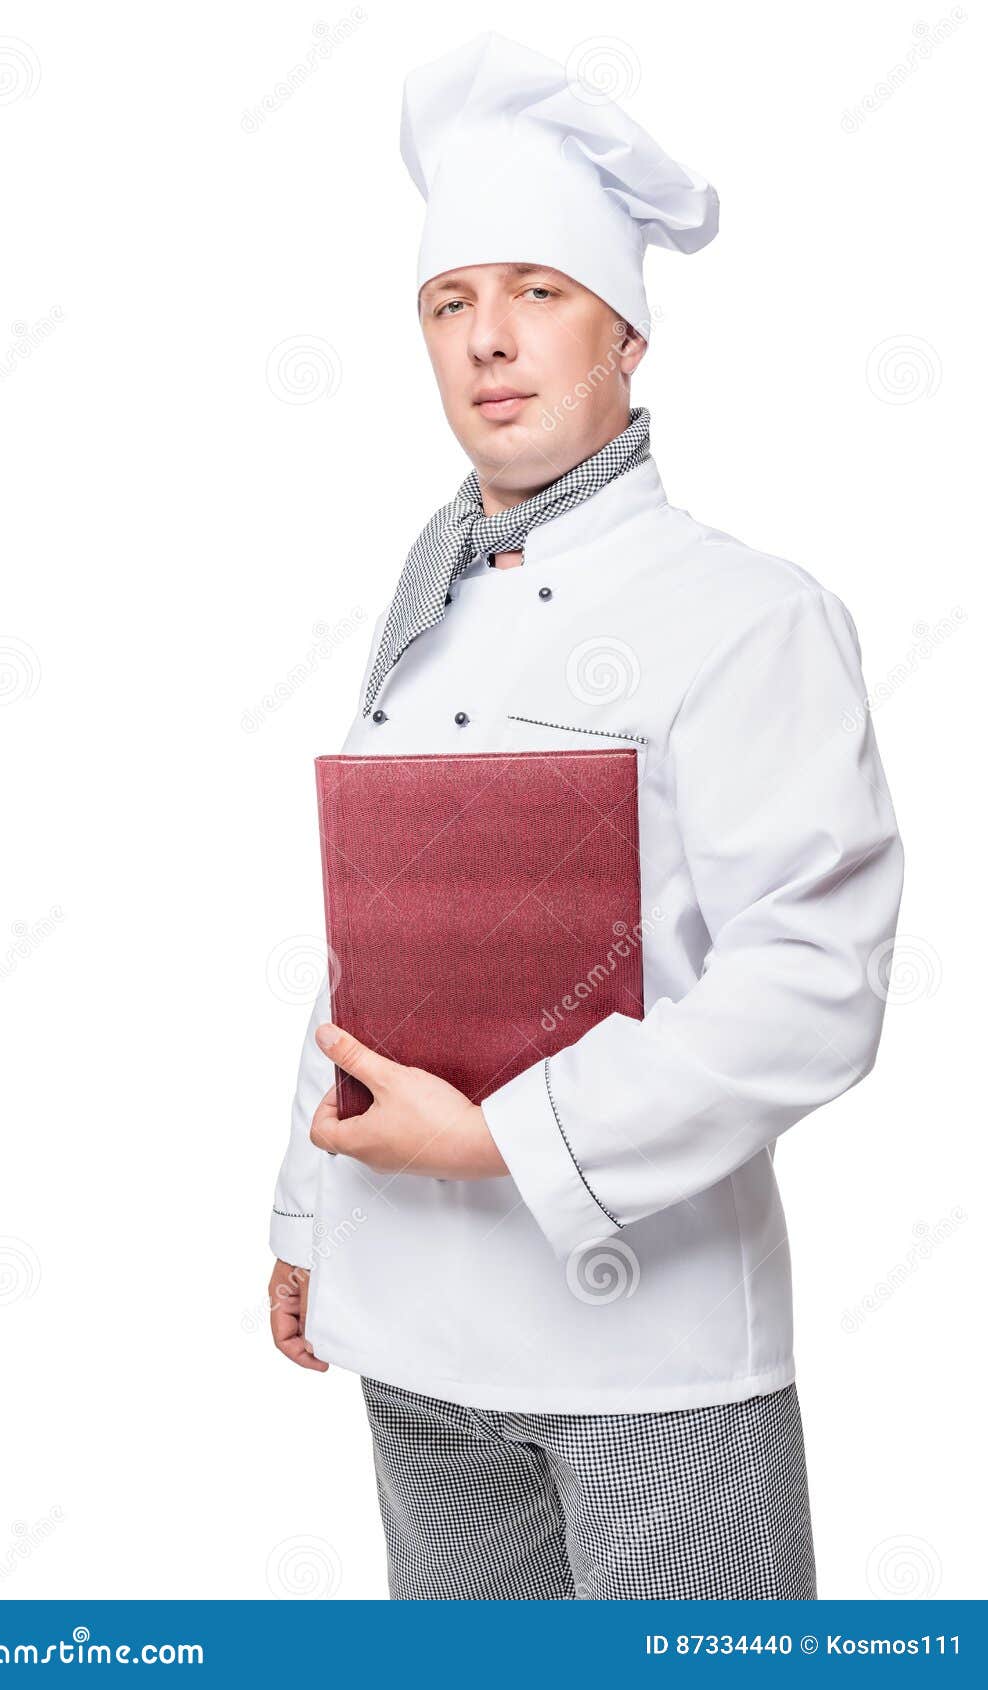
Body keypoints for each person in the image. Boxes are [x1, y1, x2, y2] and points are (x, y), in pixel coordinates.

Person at [266, 31, 904, 1601]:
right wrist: (310, 1210)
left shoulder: (747, 614)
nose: (489, 339)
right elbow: (373, 943)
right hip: (411, 1337)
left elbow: (814, 984)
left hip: (649, 1360)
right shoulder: (423, 608)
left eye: (536, 292)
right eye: (448, 301)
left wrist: (505, 1140)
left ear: (624, 332)